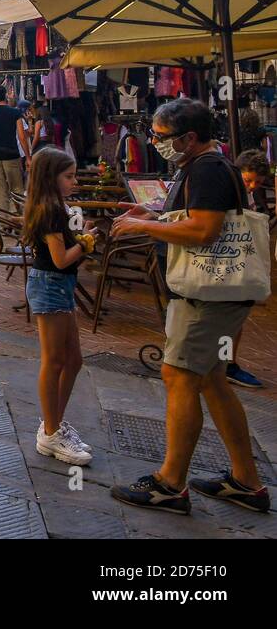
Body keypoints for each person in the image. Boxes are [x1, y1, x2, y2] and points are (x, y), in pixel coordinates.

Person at [109, 98, 270, 515]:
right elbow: (193, 216)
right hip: (213, 295)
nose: (154, 142)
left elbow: (203, 229)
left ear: (190, 138)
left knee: (178, 375)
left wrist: (143, 225)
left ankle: (170, 482)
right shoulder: (202, 167)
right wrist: (155, 213)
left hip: (208, 296)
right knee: (212, 379)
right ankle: (246, 481)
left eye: (161, 137)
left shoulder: (208, 169)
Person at [22, 145, 95, 466]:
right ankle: (51, 431)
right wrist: (85, 244)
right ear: (51, 178)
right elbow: (60, 258)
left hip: (59, 285)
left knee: (73, 360)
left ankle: (54, 423)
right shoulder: (50, 209)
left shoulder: (55, 205)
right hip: (50, 285)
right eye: (69, 176)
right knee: (54, 361)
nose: (74, 181)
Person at [228, 150, 270, 390]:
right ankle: (225, 363)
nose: (253, 186)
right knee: (230, 320)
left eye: (258, 183)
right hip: (230, 266)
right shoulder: (230, 192)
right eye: (249, 180)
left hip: (240, 263)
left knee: (236, 318)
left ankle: (227, 361)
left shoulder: (247, 196)